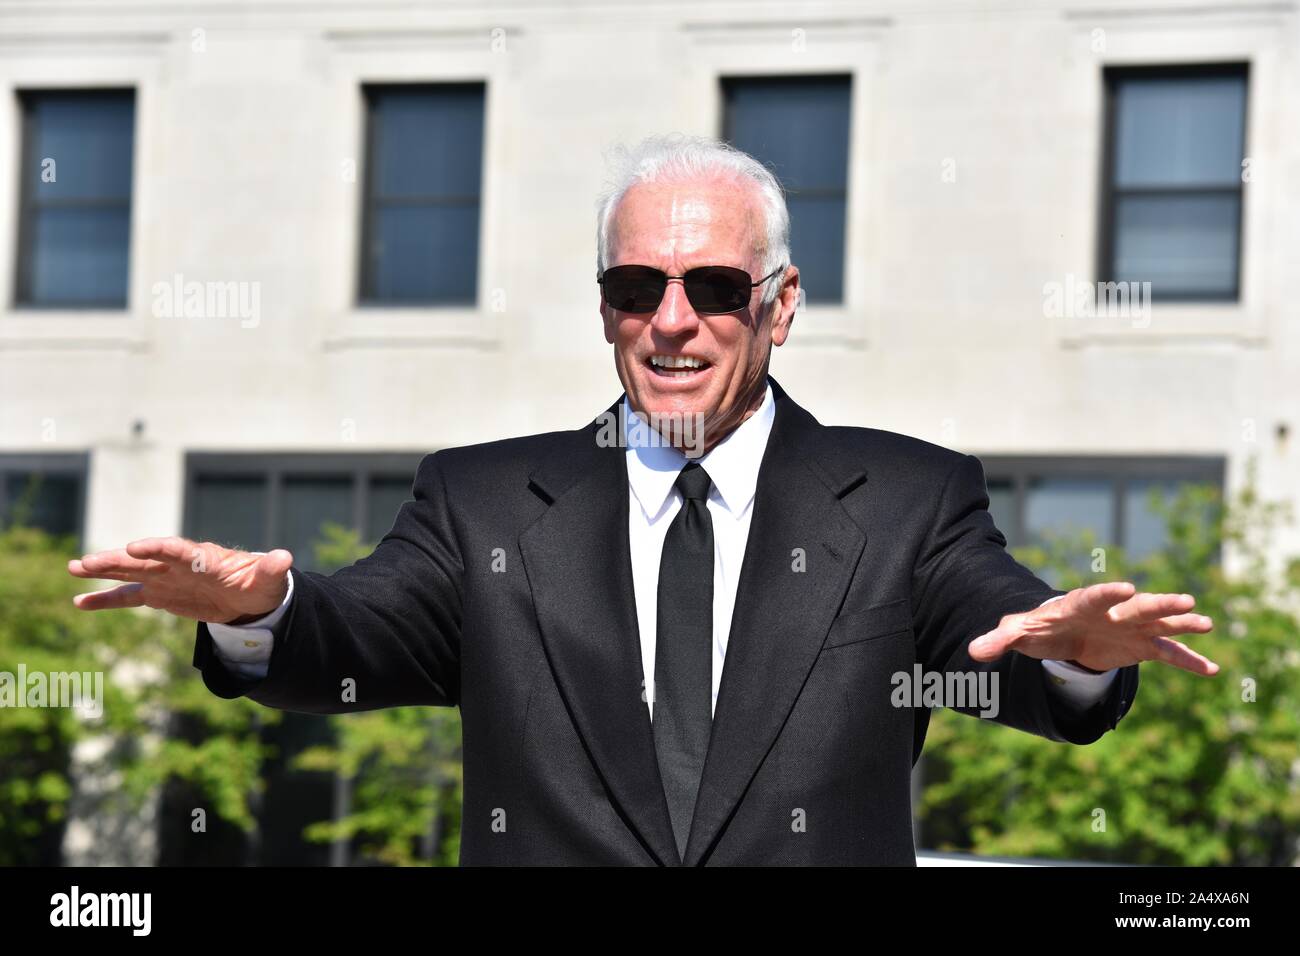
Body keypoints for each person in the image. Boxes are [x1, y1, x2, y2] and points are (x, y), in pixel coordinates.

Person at [69, 134, 1218, 866]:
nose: (672, 320)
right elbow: (355, 631)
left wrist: (1079, 650)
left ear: (779, 305)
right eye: (635, 287)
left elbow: (1002, 633)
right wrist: (259, 607)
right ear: (605, 306)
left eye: (714, 286)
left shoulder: (906, 497)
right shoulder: (482, 501)